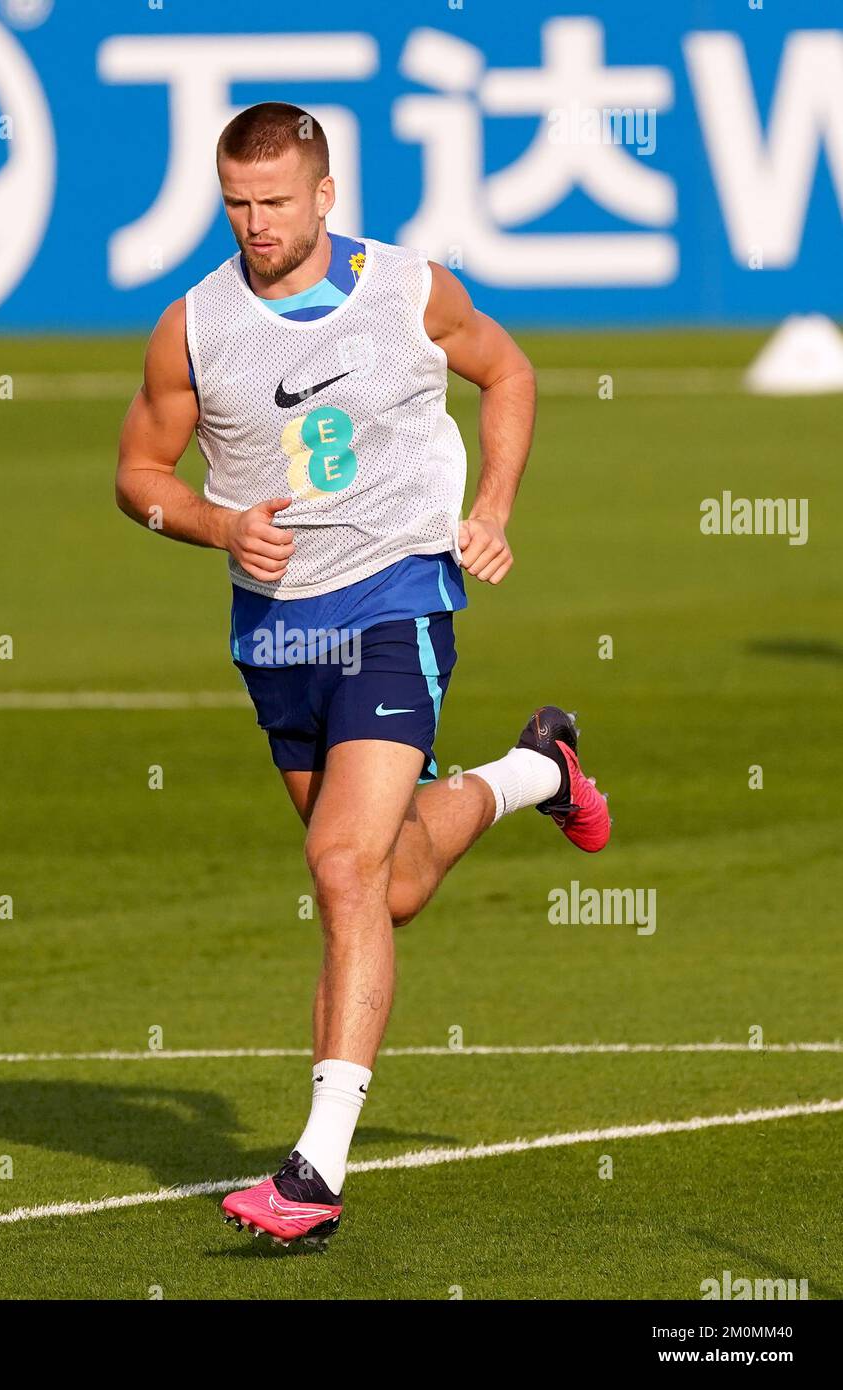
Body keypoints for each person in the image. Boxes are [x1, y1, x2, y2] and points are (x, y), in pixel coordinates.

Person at [116, 102, 610, 1249]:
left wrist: (491, 508)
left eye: (276, 204)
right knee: (385, 883)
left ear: (325, 197)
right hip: (278, 635)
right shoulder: (192, 327)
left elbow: (511, 371)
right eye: (237, 205)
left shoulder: (405, 289)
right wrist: (216, 523)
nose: (256, 226)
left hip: (400, 600)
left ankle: (314, 1166)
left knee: (340, 864)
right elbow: (139, 472)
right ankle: (538, 769)